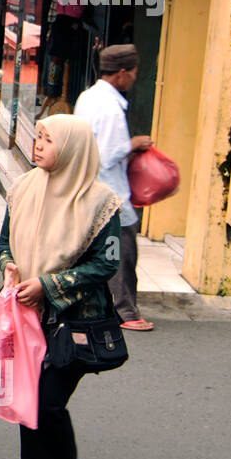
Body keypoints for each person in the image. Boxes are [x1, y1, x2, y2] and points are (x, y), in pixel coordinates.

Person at [0, 115, 124, 459]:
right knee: (25, 405)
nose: (37, 146)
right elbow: (4, 242)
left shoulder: (100, 201)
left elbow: (105, 264)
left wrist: (48, 285)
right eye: (37, 138)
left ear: (72, 148)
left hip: (74, 323)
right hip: (25, 315)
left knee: (46, 403)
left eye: (48, 140)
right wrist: (10, 267)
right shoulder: (23, 187)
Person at [72, 44, 154, 332]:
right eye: (132, 73)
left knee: (95, 250)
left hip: (89, 190)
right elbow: (106, 155)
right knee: (122, 251)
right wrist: (134, 144)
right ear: (121, 73)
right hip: (110, 192)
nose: (133, 78)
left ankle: (93, 305)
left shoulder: (87, 97)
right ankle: (126, 311)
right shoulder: (110, 109)